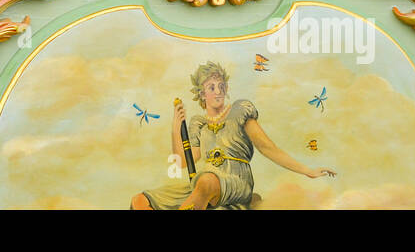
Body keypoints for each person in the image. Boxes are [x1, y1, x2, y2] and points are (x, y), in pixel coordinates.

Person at [131, 61, 335, 210]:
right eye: (212, 87)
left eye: (221, 86)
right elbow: (183, 163)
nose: (218, 91)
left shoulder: (240, 111)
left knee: (206, 182)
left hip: (236, 181)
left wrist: (308, 171)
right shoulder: (197, 123)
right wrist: (176, 128)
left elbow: (267, 148)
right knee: (140, 201)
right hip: (205, 184)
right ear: (201, 94)